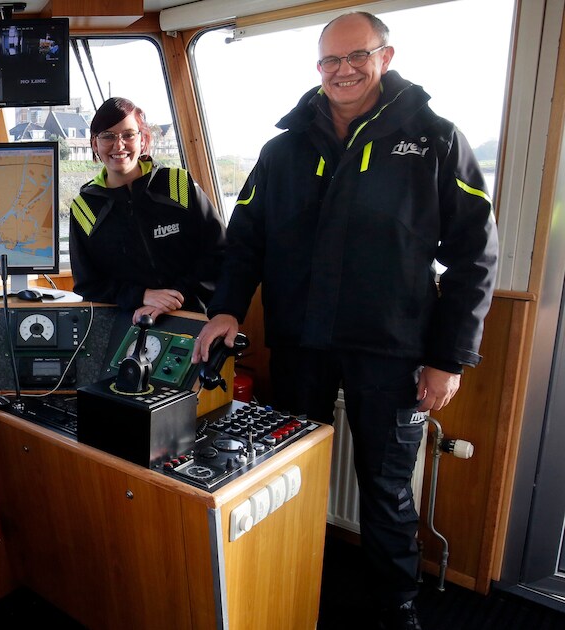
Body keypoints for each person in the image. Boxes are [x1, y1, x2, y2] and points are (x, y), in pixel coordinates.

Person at [195, 12, 498, 630]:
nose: (343, 70)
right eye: (330, 61)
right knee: (293, 476)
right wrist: (225, 306)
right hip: (301, 344)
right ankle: (297, 581)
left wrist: (449, 357)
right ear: (318, 69)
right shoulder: (282, 150)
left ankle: (398, 607)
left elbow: (475, 255)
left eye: (356, 56)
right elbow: (245, 239)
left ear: (385, 57)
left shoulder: (435, 139)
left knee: (386, 489)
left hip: (391, 349)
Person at [69, 96, 226, 327]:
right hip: (129, 323)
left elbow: (218, 252)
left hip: (195, 318)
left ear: (143, 140)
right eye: (108, 136)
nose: (118, 145)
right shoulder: (84, 208)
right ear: (95, 144)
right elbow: (89, 284)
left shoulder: (178, 184)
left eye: (128, 135)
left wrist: (173, 296)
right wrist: (141, 295)